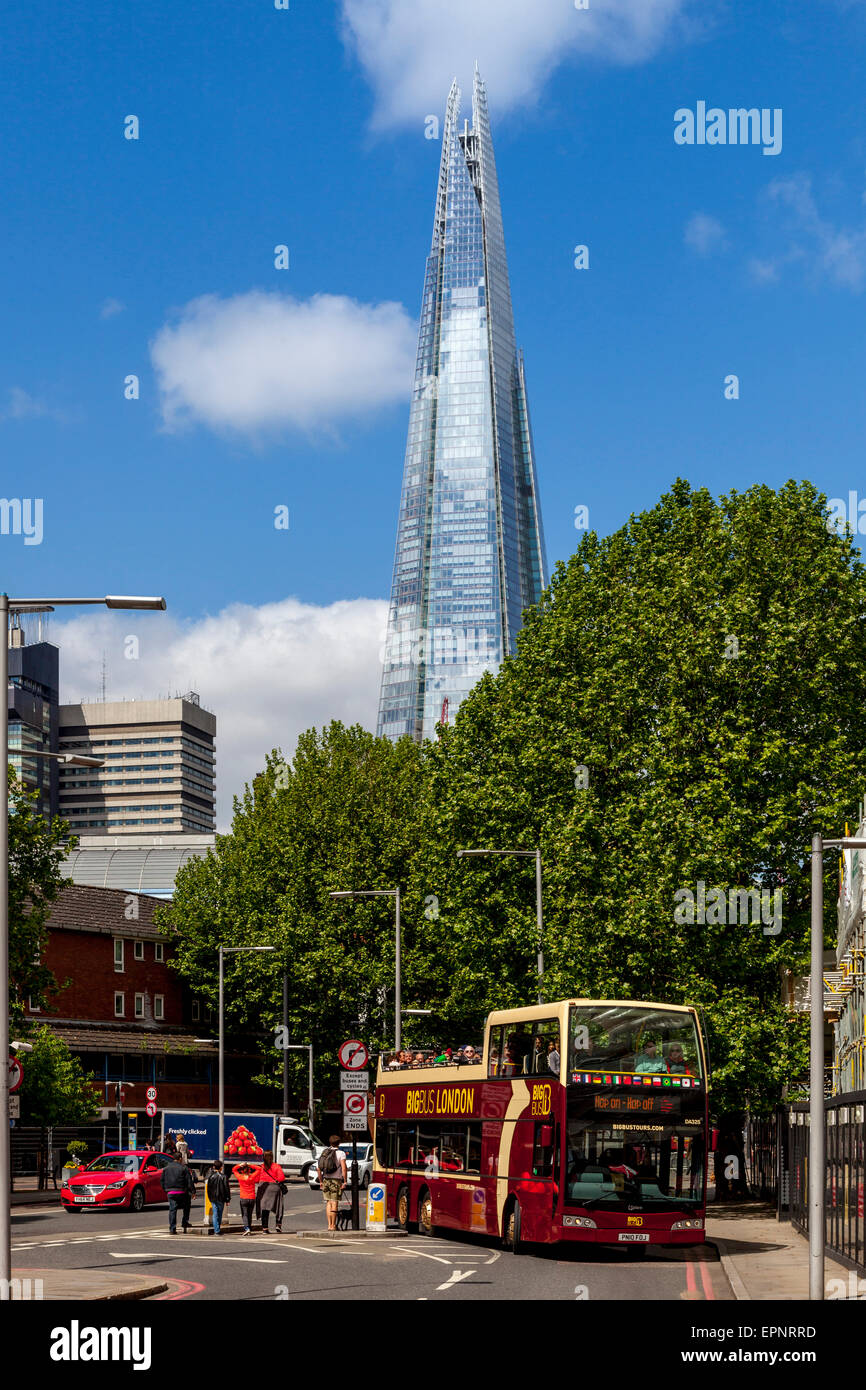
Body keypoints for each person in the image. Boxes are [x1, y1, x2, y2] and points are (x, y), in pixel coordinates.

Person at [317, 1135, 348, 1233]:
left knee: (328, 1203)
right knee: (334, 1202)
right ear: (339, 1143)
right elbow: (343, 1168)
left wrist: (321, 1181)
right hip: (336, 1181)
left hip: (326, 1180)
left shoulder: (325, 1152)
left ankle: (329, 1224)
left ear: (330, 1143)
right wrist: (345, 1181)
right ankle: (333, 1225)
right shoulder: (341, 1153)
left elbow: (319, 1168)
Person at [253, 1150, 287, 1233]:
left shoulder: (260, 1167)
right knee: (278, 1207)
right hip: (274, 1188)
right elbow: (281, 1178)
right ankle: (278, 1225)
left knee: (264, 1208)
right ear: (272, 1157)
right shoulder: (276, 1166)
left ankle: (265, 1228)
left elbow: (256, 1179)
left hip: (263, 1188)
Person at [161, 1154, 196, 1233]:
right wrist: (193, 1191)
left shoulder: (166, 1168)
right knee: (187, 1205)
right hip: (182, 1191)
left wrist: (165, 1189)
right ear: (180, 1158)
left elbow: (162, 1180)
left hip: (170, 1192)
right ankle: (184, 1222)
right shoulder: (184, 1168)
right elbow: (189, 1181)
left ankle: (172, 1228)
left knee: (172, 1210)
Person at [206, 1159, 231, 1235]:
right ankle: (217, 1229)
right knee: (219, 1214)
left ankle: (216, 1230)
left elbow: (208, 1188)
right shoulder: (224, 1177)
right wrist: (228, 1199)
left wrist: (210, 1197)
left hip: (213, 1198)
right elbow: (227, 1188)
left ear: (214, 1167)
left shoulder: (211, 1176)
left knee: (215, 1213)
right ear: (221, 1167)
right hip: (221, 1198)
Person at [234, 1161, 258, 1234]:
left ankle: (247, 1228)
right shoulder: (252, 1177)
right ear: (249, 1170)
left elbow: (234, 1169)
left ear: (242, 1171)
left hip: (244, 1198)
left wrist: (240, 1165)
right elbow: (259, 1169)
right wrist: (250, 1165)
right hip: (252, 1198)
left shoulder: (240, 1177)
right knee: (249, 1214)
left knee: (245, 1214)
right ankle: (249, 1228)